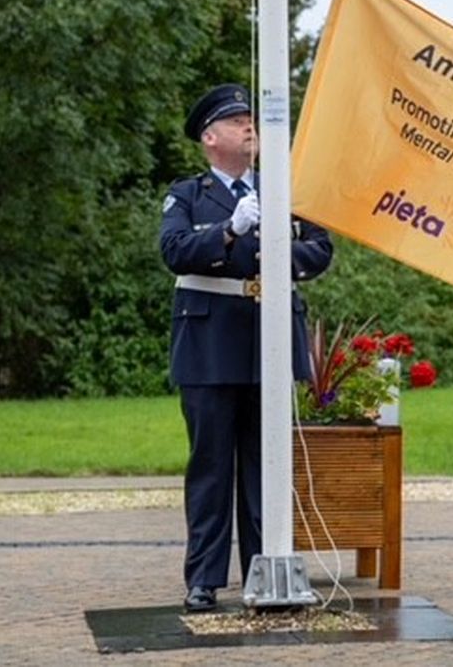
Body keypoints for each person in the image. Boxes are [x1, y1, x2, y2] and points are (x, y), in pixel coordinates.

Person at [159, 83, 333, 612]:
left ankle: (266, 568)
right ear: (210, 138)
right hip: (210, 342)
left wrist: (275, 248)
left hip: (270, 338)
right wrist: (228, 234)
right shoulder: (188, 195)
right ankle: (205, 579)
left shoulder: (284, 188)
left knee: (267, 466)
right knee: (211, 467)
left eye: (249, 119)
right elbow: (175, 249)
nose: (249, 126)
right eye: (236, 121)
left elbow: (320, 249)